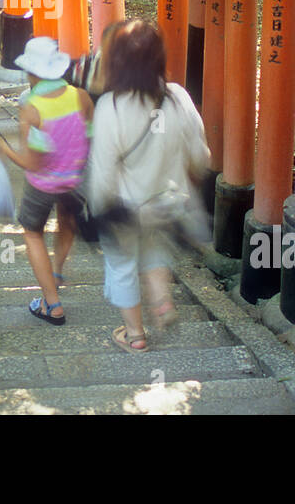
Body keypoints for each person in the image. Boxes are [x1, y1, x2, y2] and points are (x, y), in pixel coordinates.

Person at [86, 19, 211, 353]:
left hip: (129, 209)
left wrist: (98, 207)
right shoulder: (178, 98)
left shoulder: (111, 107)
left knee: (123, 265)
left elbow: (103, 172)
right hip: (169, 202)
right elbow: (200, 154)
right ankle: (163, 302)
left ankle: (135, 334)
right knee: (155, 250)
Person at [0, 36, 94, 325]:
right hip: (75, 180)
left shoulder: (32, 108)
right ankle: (58, 273)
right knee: (66, 221)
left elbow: (31, 161)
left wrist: (5, 150)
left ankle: (52, 305)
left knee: (32, 232)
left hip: (42, 184)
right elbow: (87, 139)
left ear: (33, 73)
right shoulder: (81, 97)